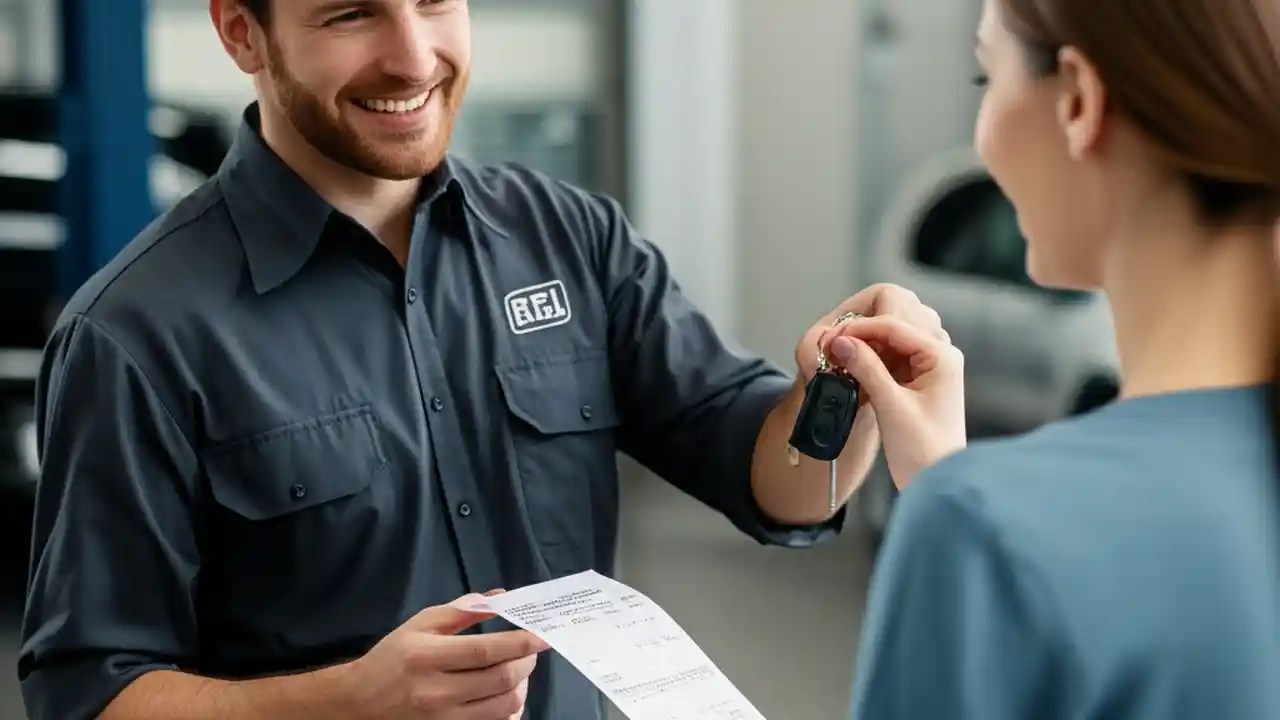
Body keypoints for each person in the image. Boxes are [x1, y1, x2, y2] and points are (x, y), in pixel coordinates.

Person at [16, 1, 953, 719]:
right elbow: (89, 695)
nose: (414, 57)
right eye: (351, 13)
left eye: (435, 1)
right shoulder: (134, 334)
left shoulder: (571, 238)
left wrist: (849, 393)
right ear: (241, 32)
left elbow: (775, 483)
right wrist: (350, 701)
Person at [826, 0, 1280, 717]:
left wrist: (969, 522)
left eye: (986, 79)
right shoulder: (992, 522)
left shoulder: (986, 529)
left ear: (1077, 101)